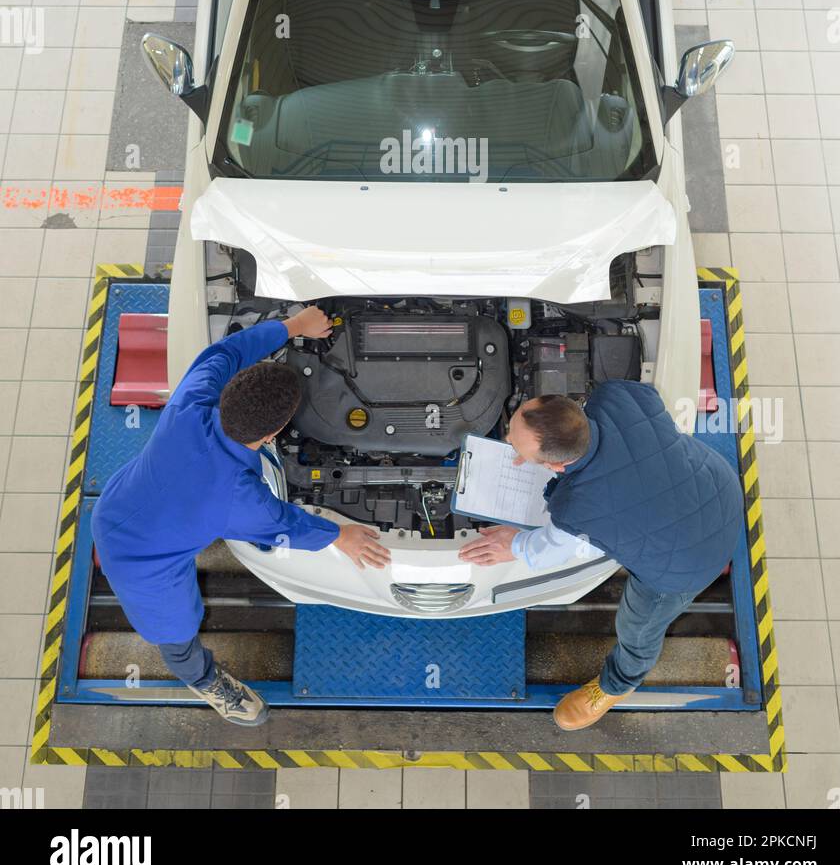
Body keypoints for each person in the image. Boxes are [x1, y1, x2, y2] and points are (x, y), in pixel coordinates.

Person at [92, 308, 389, 726]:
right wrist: (340, 535)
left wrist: (293, 327)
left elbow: (229, 350)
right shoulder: (239, 500)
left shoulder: (192, 398)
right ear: (272, 435)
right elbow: (287, 524)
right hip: (140, 562)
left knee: (187, 513)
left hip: (121, 500)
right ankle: (204, 680)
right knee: (176, 630)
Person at [458, 380, 743, 729]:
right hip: (719, 485)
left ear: (555, 467)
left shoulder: (575, 508)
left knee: (638, 627)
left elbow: (547, 553)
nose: (509, 444)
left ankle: (617, 685)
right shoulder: (617, 395)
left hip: (684, 563)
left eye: (517, 447)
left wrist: (512, 544)